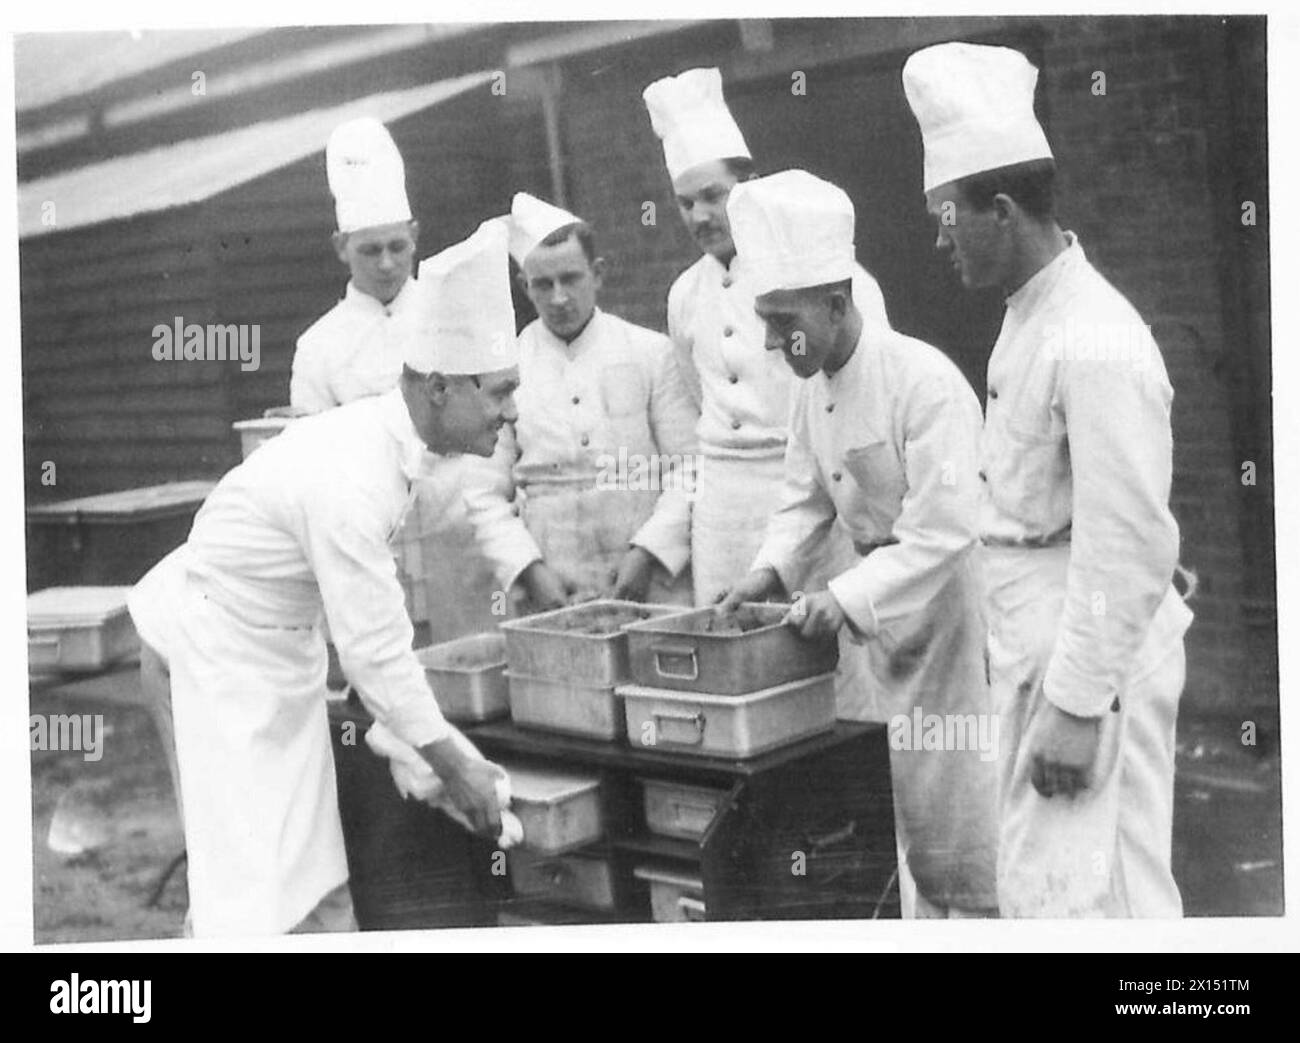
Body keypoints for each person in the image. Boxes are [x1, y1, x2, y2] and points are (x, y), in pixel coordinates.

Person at [127, 220, 519, 938]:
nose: (510, 410)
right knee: (244, 898)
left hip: (277, 655)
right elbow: (374, 650)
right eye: (498, 392)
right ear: (438, 387)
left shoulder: (406, 447)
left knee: (314, 883)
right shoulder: (352, 479)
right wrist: (454, 762)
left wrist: (419, 743)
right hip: (207, 660)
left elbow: (371, 632)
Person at [903, 41, 1194, 917]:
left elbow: (1129, 537)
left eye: (945, 216)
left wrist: (1075, 702)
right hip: (1040, 647)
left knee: (1102, 902)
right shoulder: (1028, 317)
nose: (937, 237)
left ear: (998, 209)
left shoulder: (1095, 334)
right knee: (1049, 898)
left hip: (1085, 663)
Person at [720, 170, 998, 918]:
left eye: (784, 322)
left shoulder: (924, 383)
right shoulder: (814, 391)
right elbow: (804, 500)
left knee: (969, 804)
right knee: (912, 802)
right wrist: (767, 573)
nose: (774, 344)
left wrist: (843, 598)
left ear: (837, 304)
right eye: (766, 324)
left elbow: (945, 528)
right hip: (890, 620)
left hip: (956, 615)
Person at [641, 67, 891, 608]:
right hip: (721, 508)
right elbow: (693, 396)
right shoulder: (683, 294)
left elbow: (864, 392)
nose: (700, 215)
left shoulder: (819, 277)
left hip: (804, 493)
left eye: (713, 196)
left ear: (747, 186)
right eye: (685, 203)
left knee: (822, 656)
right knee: (730, 638)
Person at [464, 194, 700, 608]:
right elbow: (483, 493)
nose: (558, 298)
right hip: (553, 582)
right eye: (543, 284)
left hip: (648, 577)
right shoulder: (504, 371)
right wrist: (531, 572)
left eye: (570, 279)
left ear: (598, 274)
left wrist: (648, 552)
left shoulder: (651, 353)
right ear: (524, 286)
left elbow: (690, 467)